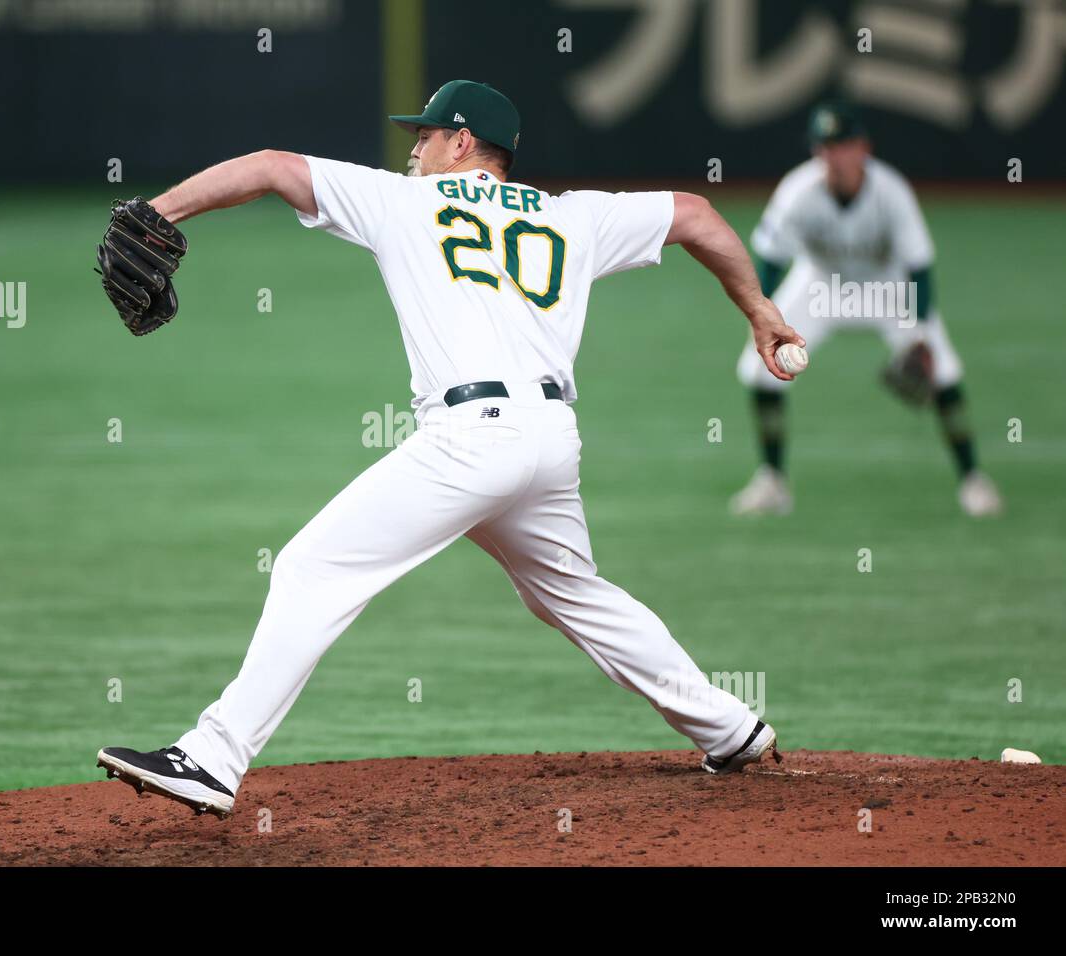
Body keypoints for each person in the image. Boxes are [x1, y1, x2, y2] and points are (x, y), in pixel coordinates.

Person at [97, 80, 802, 817]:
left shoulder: (407, 202)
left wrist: (159, 212)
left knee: (314, 566)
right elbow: (697, 215)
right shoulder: (574, 216)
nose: (415, 147)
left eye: (427, 134)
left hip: (473, 442)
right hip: (552, 442)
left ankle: (212, 756)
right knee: (574, 594)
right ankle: (730, 729)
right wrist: (759, 310)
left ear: (462, 143)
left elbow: (272, 165)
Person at [731, 101, 1003, 517]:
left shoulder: (891, 191)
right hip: (820, 282)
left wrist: (920, 334)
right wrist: (761, 315)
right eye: (824, 147)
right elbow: (768, 258)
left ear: (863, 148)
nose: (832, 156)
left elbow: (920, 267)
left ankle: (973, 480)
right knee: (758, 369)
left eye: (841, 145)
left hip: (884, 285)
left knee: (942, 370)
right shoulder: (798, 191)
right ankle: (772, 480)